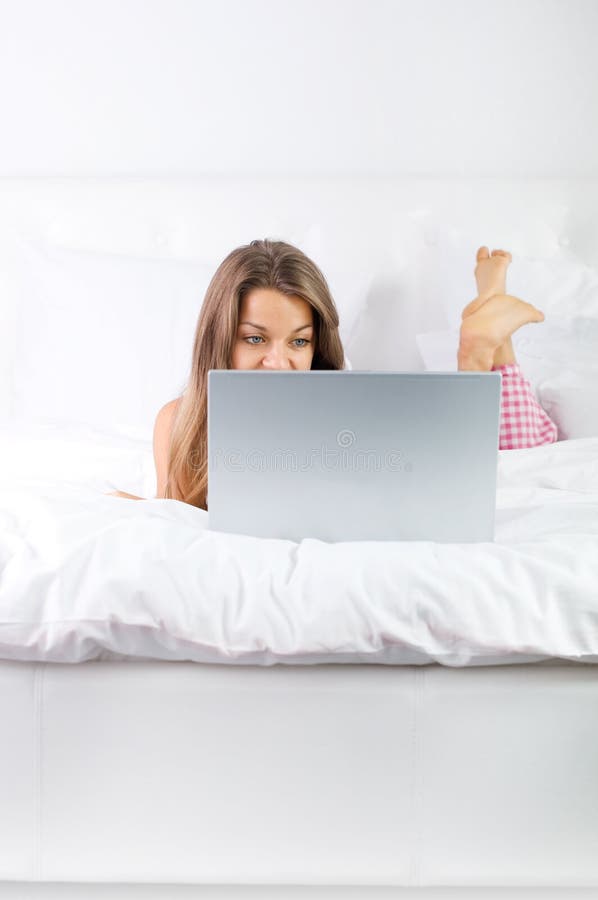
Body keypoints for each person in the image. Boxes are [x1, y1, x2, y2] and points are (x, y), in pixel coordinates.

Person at [106, 239, 558, 508]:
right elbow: (174, 521)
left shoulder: (349, 413)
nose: (278, 363)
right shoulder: (180, 422)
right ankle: (483, 341)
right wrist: (132, 509)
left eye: (298, 342)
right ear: (219, 338)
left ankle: (478, 357)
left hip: (434, 455)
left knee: (519, 450)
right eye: (255, 339)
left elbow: (439, 488)